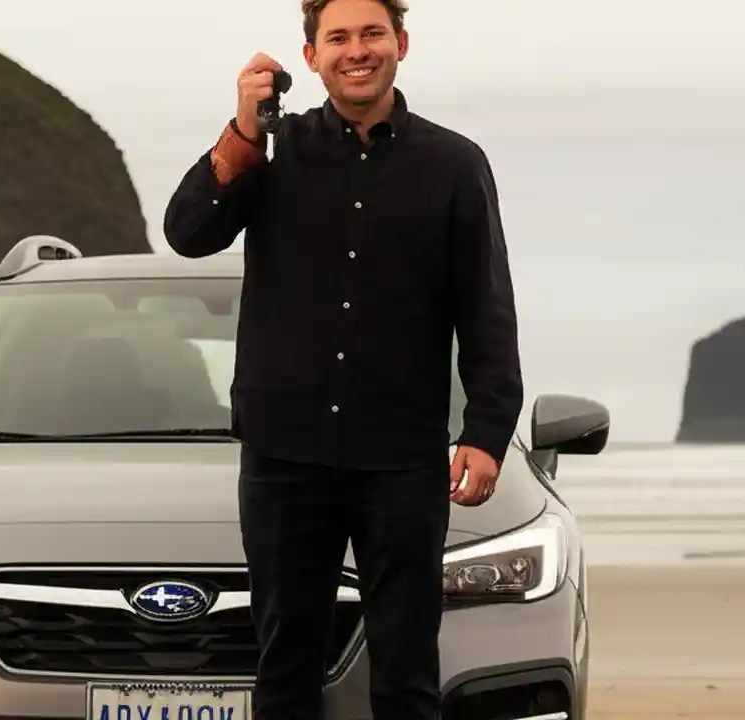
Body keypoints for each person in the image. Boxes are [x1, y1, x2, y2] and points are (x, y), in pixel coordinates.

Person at [162, 0, 524, 718]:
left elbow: (485, 307)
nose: (356, 50)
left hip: (403, 456)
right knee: (287, 664)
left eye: (371, 34)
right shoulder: (269, 153)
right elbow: (188, 233)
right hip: (284, 453)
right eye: (338, 38)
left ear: (401, 44)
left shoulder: (454, 164)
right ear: (311, 58)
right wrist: (241, 130)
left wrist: (486, 431)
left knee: (407, 666)